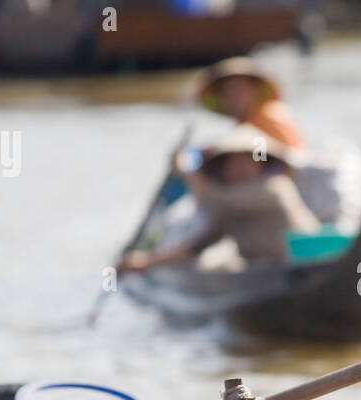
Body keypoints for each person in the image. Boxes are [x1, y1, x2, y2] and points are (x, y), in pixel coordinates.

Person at [118, 125, 319, 273]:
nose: (240, 169)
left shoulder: (274, 188)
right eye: (234, 163)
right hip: (264, 273)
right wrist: (146, 261)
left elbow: (212, 199)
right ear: (223, 169)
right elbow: (196, 246)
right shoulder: (228, 210)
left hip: (303, 265)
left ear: (261, 165)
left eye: (248, 161)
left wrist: (187, 172)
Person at [196, 57, 306, 151]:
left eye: (239, 89)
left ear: (255, 90)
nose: (234, 97)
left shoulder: (269, 115)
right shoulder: (244, 123)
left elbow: (289, 156)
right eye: (226, 92)